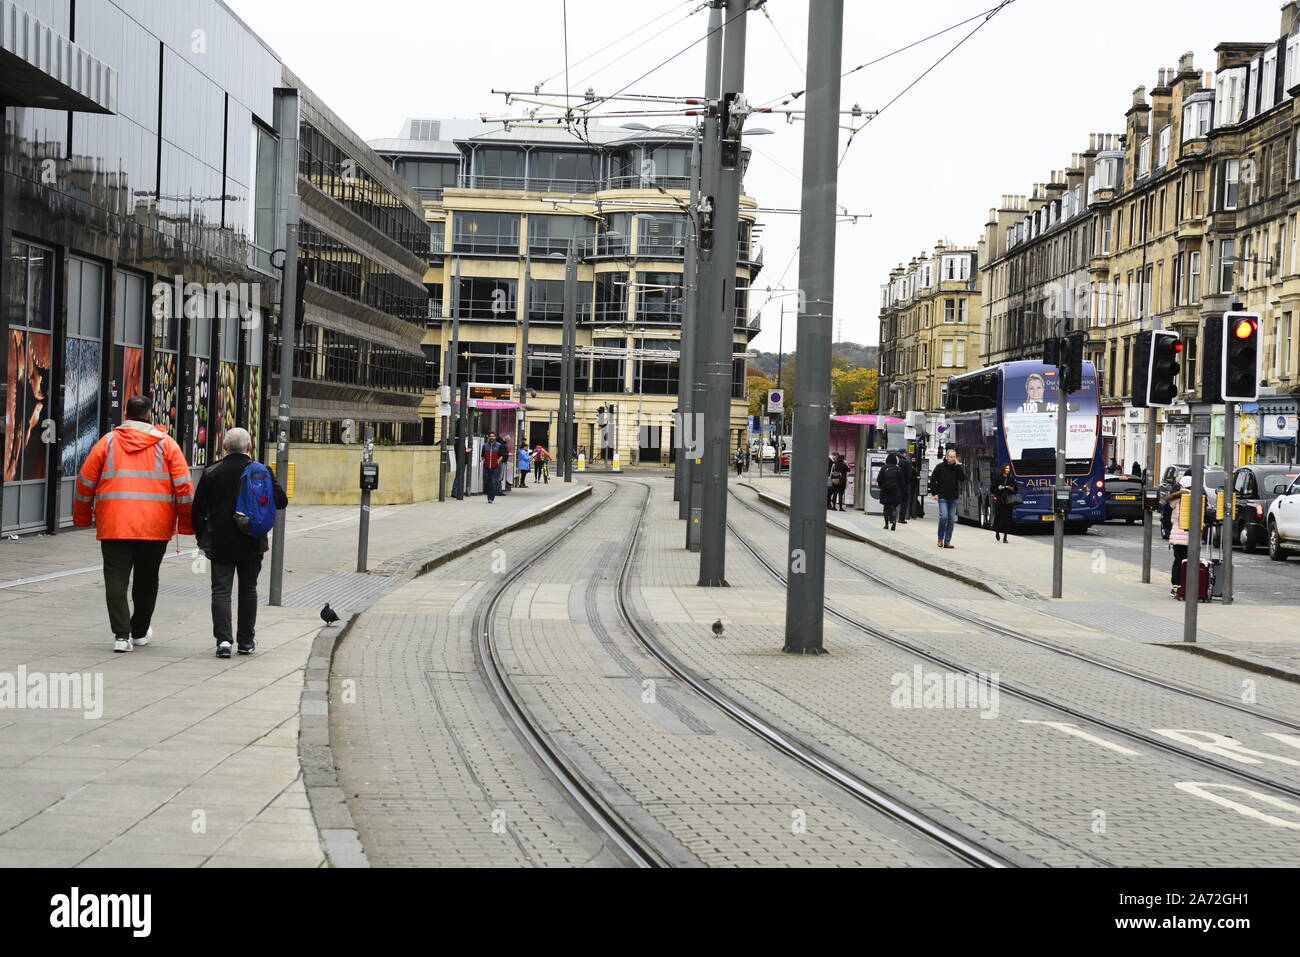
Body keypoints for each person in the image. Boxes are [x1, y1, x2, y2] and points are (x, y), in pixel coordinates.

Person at [73, 395, 194, 653]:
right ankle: (139, 631)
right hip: (155, 526)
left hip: (114, 524)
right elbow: (184, 487)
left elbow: (84, 481)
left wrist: (82, 517)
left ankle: (120, 636)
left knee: (115, 579)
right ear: (150, 415)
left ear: (125, 414)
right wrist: (186, 523)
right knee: (147, 578)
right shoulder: (167, 445)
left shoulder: (106, 443)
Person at [192, 428, 287, 658]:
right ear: (249, 447)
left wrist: (202, 537)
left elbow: (197, 511)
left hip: (221, 541)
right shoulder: (261, 471)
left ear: (224, 447)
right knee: (248, 590)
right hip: (252, 540)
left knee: (221, 591)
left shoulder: (212, 472)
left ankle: (224, 642)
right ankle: (246, 641)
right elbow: (281, 501)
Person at [930, 448, 966, 549]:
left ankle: (947, 541)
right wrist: (935, 493)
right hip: (942, 496)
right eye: (951, 457)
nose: (953, 459)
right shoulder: (940, 467)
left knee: (951, 520)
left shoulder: (956, 467)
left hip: (953, 497)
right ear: (946, 457)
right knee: (944, 517)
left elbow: (963, 478)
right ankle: (940, 538)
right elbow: (933, 480)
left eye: (954, 457)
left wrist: (958, 466)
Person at [1167, 476, 1192, 596]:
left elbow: (1166, 516)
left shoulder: (1175, 499)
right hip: (1190, 535)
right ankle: (1186, 585)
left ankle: (1176, 586)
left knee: (1178, 560)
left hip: (1176, 535)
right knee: (1188, 561)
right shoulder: (1194, 498)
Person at [992, 462, 1019, 543]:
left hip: (1008, 502)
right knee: (999, 518)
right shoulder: (998, 478)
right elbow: (992, 489)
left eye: (1009, 469)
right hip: (1000, 501)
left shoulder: (1011, 479)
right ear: (1003, 469)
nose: (1007, 470)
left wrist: (1011, 489)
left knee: (1007, 519)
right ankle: (997, 531)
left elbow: (1016, 490)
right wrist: (998, 488)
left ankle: (1005, 537)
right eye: (1006, 468)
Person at [878, 453, 903, 530]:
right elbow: (902, 481)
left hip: (885, 491)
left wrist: (882, 487)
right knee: (893, 508)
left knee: (886, 508)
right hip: (895, 491)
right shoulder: (898, 469)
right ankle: (894, 522)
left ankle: (886, 525)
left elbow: (879, 479)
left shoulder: (883, 468)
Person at [481, 431, 508, 502]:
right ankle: (489, 495)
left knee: (493, 482)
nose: (491, 437)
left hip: (495, 467)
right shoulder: (485, 445)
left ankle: (491, 498)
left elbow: (501, 455)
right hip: (486, 467)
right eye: (490, 436)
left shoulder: (499, 445)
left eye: (493, 436)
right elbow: (483, 456)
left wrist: (497, 462)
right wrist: (484, 462)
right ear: (489, 437)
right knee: (486, 482)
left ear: (495, 437)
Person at [896, 452, 914, 524]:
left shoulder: (895, 461)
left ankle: (891, 518)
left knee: (893, 501)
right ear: (902, 454)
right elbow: (909, 475)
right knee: (904, 502)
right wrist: (907, 483)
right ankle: (901, 518)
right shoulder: (906, 463)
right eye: (904, 453)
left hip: (895, 485)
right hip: (904, 486)